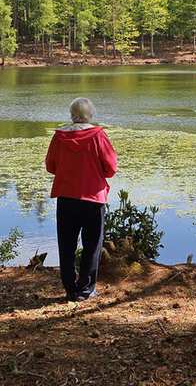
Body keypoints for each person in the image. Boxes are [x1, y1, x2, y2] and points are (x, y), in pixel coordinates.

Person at [45, 97, 117, 301]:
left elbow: (50, 166)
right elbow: (111, 168)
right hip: (93, 198)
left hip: (66, 197)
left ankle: (70, 288)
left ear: (72, 115)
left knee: (66, 245)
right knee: (92, 245)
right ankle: (85, 289)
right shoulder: (98, 135)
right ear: (90, 114)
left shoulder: (59, 136)